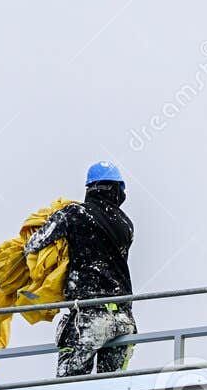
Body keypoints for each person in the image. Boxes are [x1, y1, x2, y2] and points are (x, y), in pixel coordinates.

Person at [25, 160, 135, 377]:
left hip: (89, 315)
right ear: (118, 190)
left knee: (71, 387)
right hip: (124, 318)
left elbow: (34, 244)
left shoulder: (74, 213)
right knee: (113, 389)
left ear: (90, 189)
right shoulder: (126, 224)